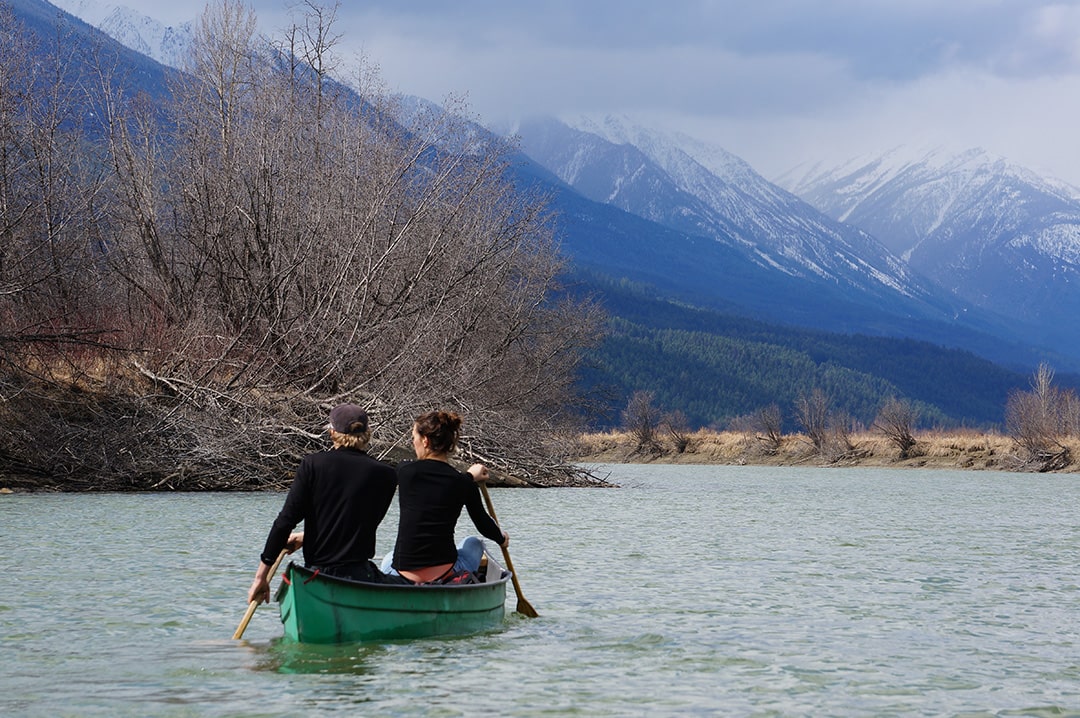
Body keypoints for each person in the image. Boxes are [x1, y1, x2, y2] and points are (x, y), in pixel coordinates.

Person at [246, 404, 398, 605]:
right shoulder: (386, 474)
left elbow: (285, 522)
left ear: (332, 432)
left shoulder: (313, 464)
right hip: (359, 574)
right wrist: (307, 537)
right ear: (367, 433)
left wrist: (261, 577)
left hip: (317, 573)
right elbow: (359, 524)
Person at [381, 410, 509, 584]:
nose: (413, 443)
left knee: (389, 557)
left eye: (414, 438)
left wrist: (469, 477)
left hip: (402, 573)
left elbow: (433, 478)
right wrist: (502, 539)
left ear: (425, 440)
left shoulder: (404, 472)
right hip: (445, 573)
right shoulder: (463, 483)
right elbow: (483, 524)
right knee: (474, 543)